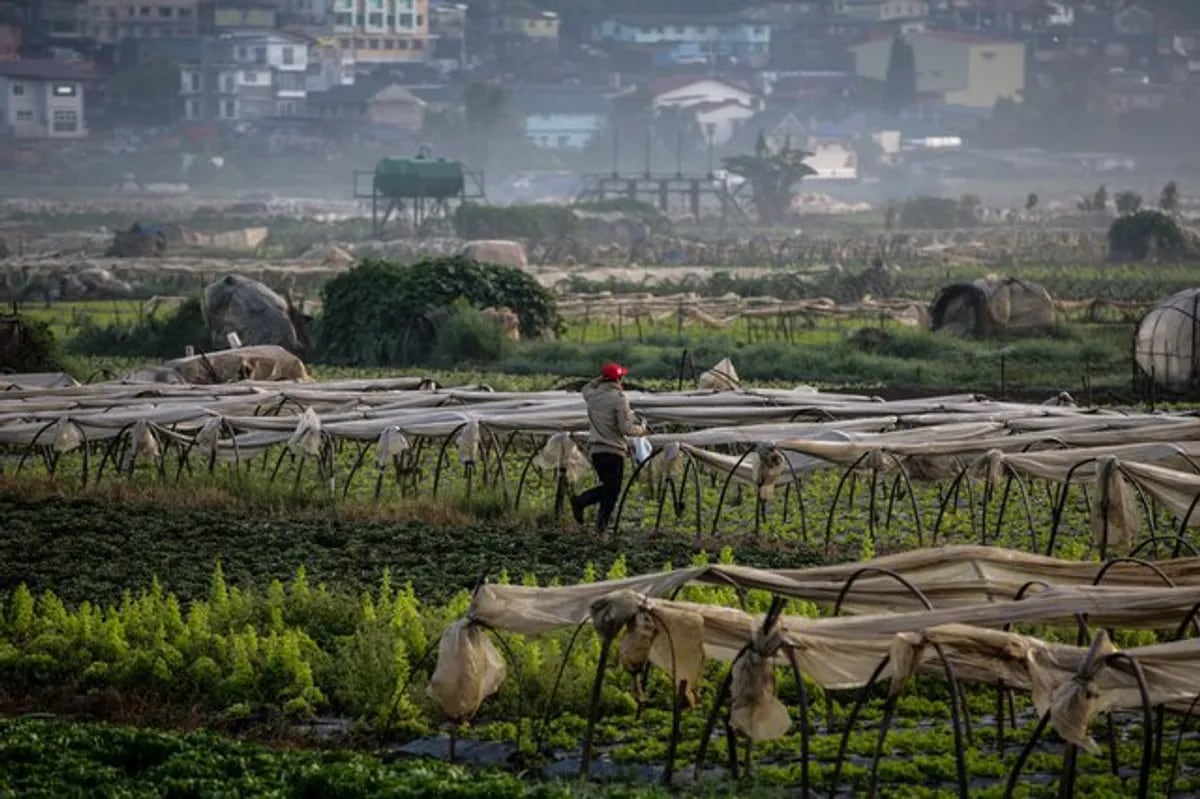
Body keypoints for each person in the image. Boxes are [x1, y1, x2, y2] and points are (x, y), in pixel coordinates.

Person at [571, 362, 647, 532]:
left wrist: (600, 378)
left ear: (603, 379)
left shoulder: (593, 396)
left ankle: (600, 526)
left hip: (597, 452)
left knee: (608, 488)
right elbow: (625, 428)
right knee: (612, 490)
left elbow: (585, 388)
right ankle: (583, 503)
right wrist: (642, 430)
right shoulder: (619, 399)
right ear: (619, 379)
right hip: (613, 451)